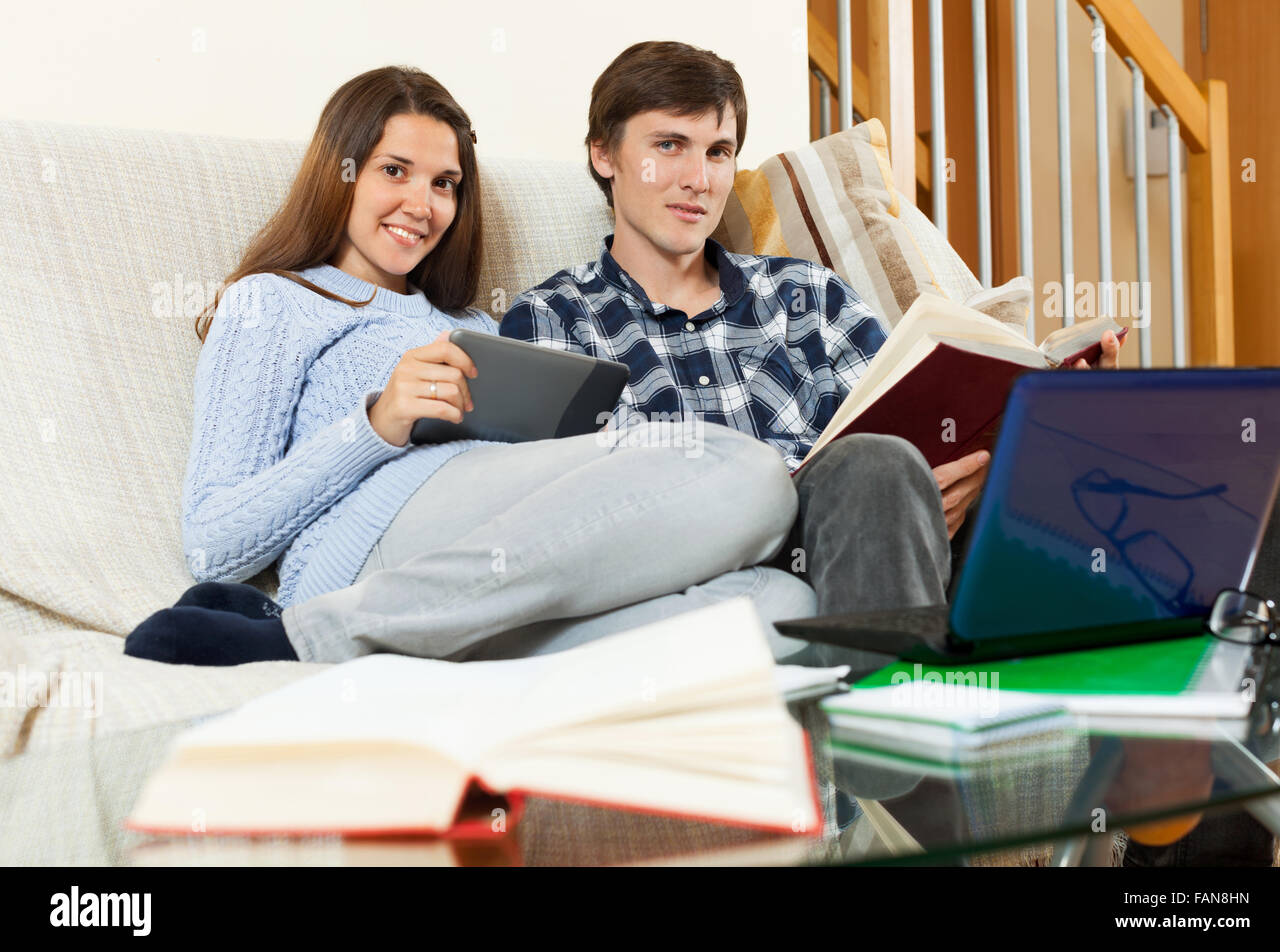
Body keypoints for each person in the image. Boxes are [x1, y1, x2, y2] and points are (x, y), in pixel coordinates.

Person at [499, 40, 1280, 863]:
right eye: (668, 146)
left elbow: (906, 397)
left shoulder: (802, 293)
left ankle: (1219, 786)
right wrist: (884, 476)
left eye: (717, 151)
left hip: (934, 527)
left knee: (1251, 450)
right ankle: (904, 744)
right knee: (875, 466)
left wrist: (1016, 427)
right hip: (795, 548)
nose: (698, 178)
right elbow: (588, 519)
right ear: (605, 154)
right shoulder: (555, 323)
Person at [124, 64, 816, 668]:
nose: (421, 206)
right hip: (374, 543)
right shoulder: (274, 302)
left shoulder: (475, 328)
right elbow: (214, 547)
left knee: (785, 608)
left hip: (498, 566)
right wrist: (377, 424)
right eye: (394, 171)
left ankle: (423, 654)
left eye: (445, 184)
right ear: (341, 172)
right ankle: (314, 636)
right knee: (748, 472)